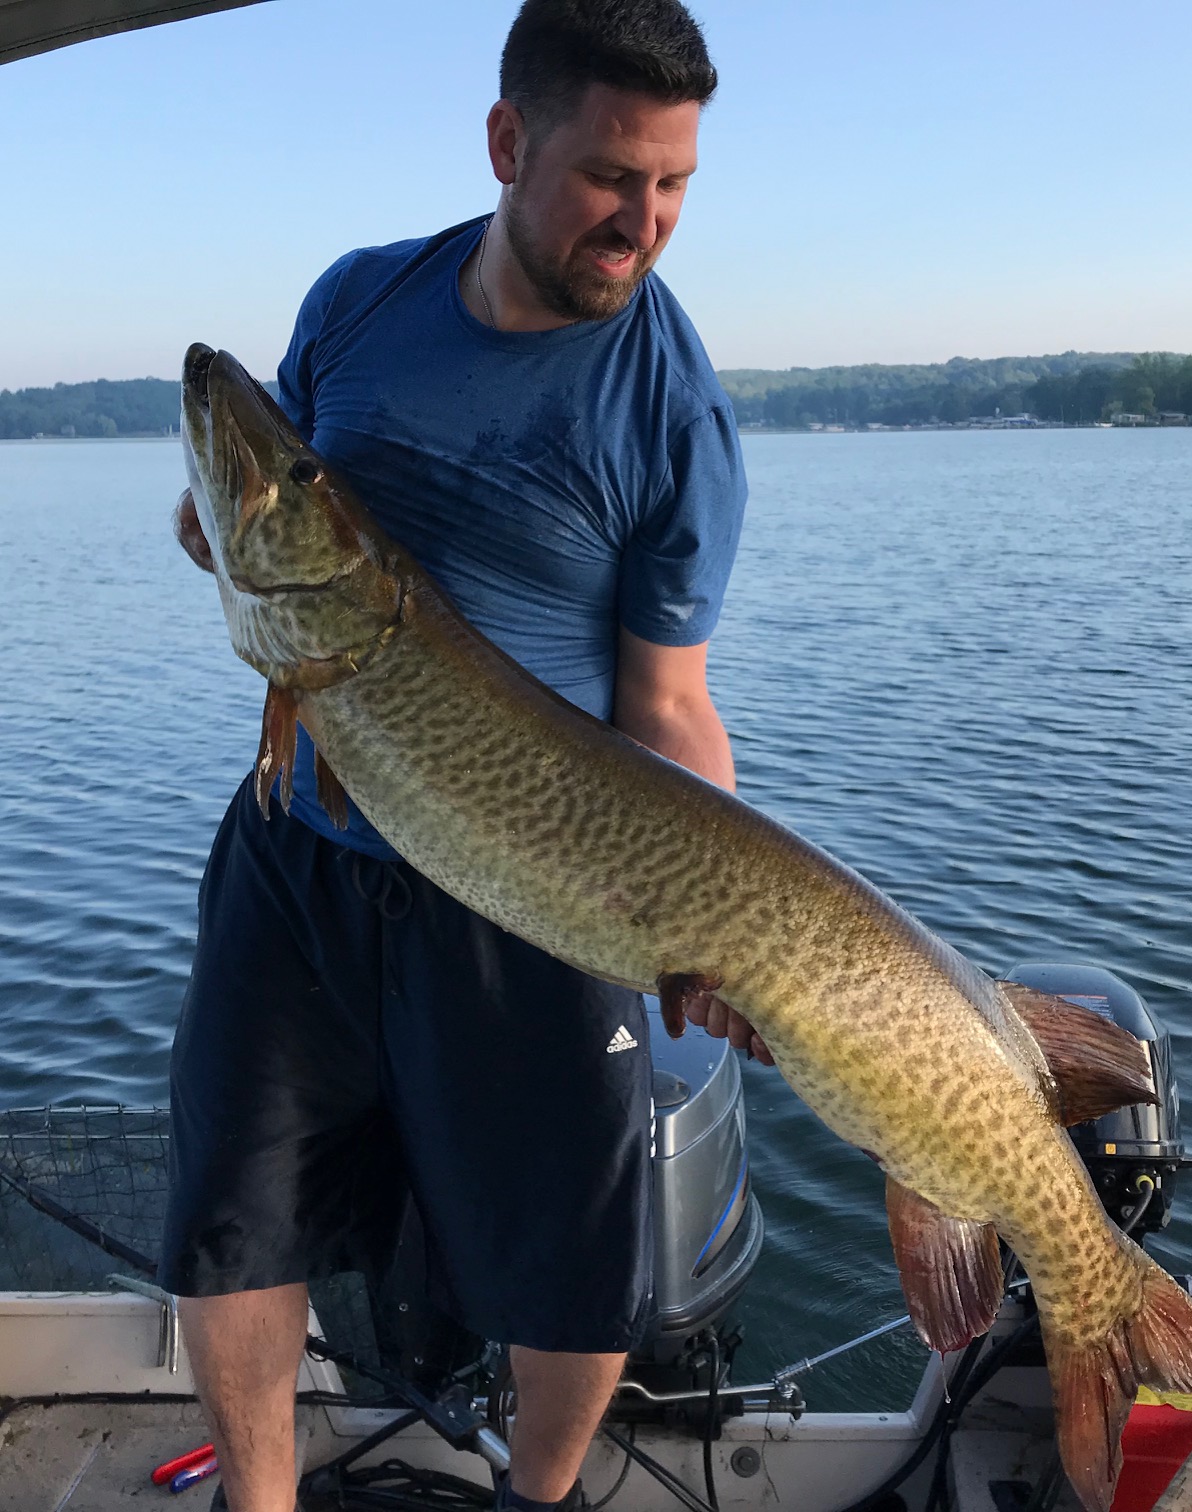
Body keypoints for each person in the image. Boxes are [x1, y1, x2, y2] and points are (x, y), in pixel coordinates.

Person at [165, 3, 769, 1508]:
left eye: (675, 185)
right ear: (507, 142)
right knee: (235, 1212)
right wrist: (220, 527)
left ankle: (536, 1497)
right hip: (299, 843)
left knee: (574, 1250)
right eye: (611, 177)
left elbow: (670, 703)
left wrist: (713, 923)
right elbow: (275, 526)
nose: (643, 224)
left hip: (535, 874)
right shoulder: (362, 301)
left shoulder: (672, 415)